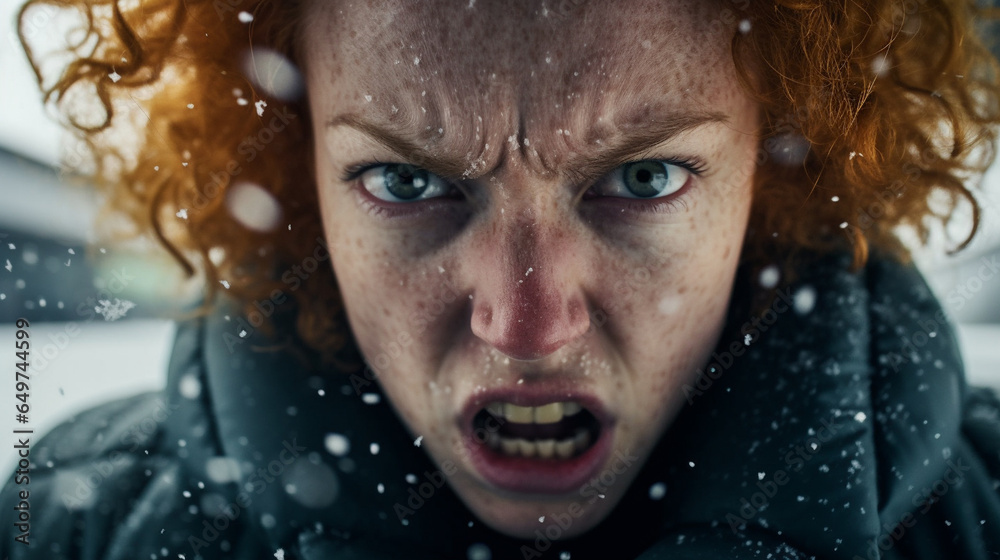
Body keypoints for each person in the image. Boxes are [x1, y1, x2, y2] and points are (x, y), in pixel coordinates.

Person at [3, 0, 1000, 558]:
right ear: (290, 166)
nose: (526, 323)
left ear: (781, 167)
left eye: (641, 178)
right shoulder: (71, 522)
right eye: (406, 180)